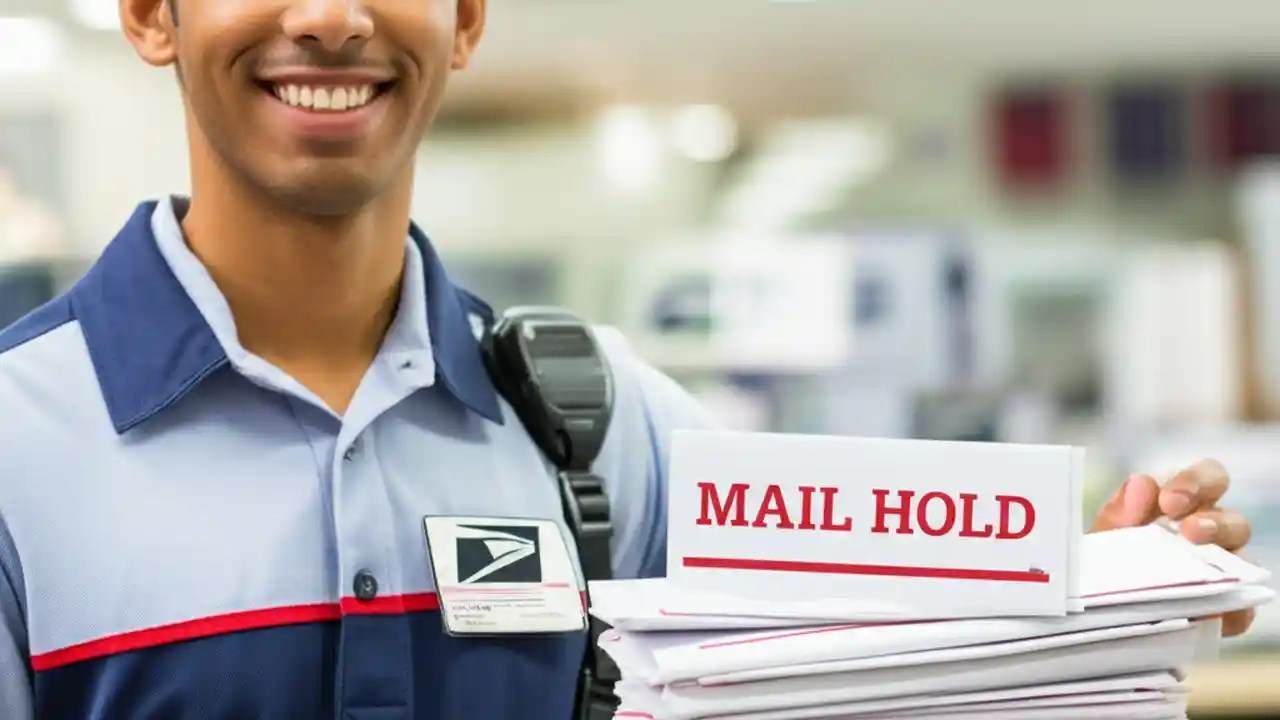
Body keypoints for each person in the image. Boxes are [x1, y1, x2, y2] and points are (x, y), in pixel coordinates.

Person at [0, 1, 1256, 718]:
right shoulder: (19, 448)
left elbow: (862, 675)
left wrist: (1103, 595)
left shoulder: (602, 428)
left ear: (466, 18)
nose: (330, 18)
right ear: (151, 15)